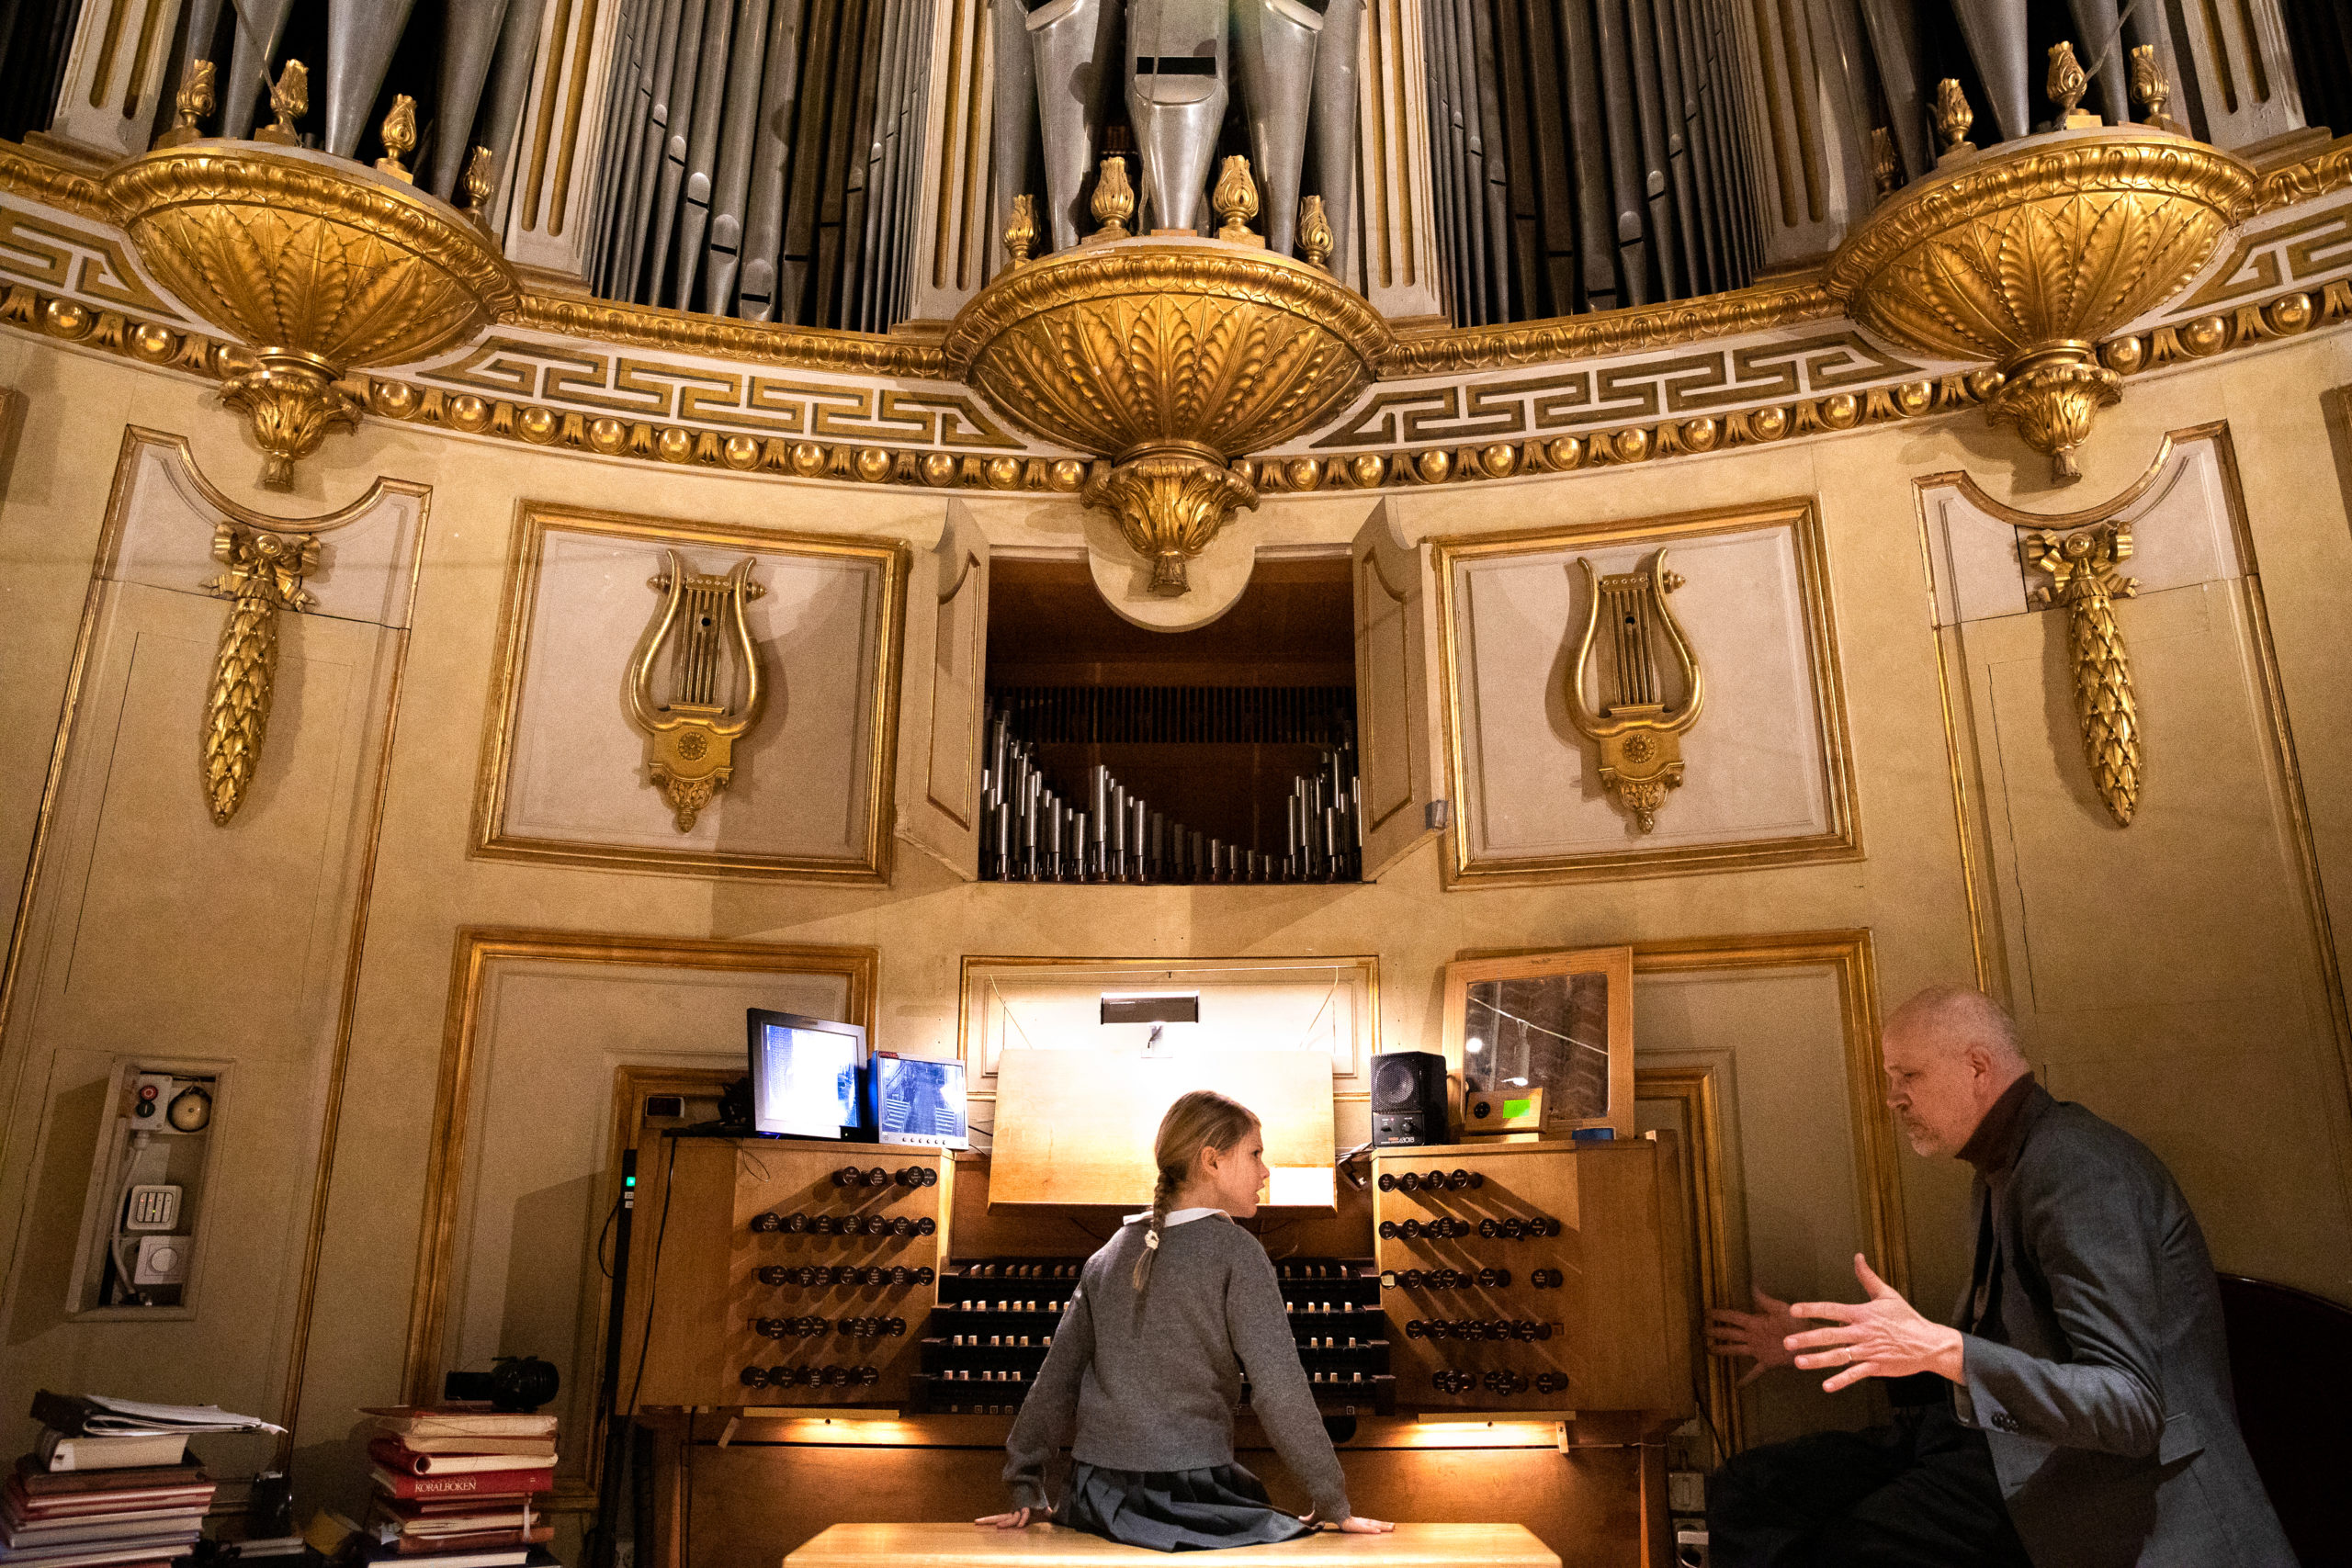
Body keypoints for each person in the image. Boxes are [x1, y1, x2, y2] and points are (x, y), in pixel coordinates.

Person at [1705, 986, 2294, 1568]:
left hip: (2112, 1492)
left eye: (1907, 1075)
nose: (1893, 1099)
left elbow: (2130, 1407)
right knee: (1751, 1490)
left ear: (1978, 1067)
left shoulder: (2073, 1168)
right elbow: (2015, 1344)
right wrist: (1830, 1341)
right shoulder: (2007, 1161)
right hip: (1996, 1442)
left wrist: (1949, 1350)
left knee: (1847, 1548)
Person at [977, 1089, 1396, 1551]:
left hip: (1093, 1496)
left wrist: (1025, 1483)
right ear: (1211, 1161)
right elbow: (1280, 1389)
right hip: (1188, 1497)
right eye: (1255, 1153)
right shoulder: (1237, 1252)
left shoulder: (1106, 1255)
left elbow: (1053, 1381)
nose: (1265, 1170)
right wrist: (1332, 1499)